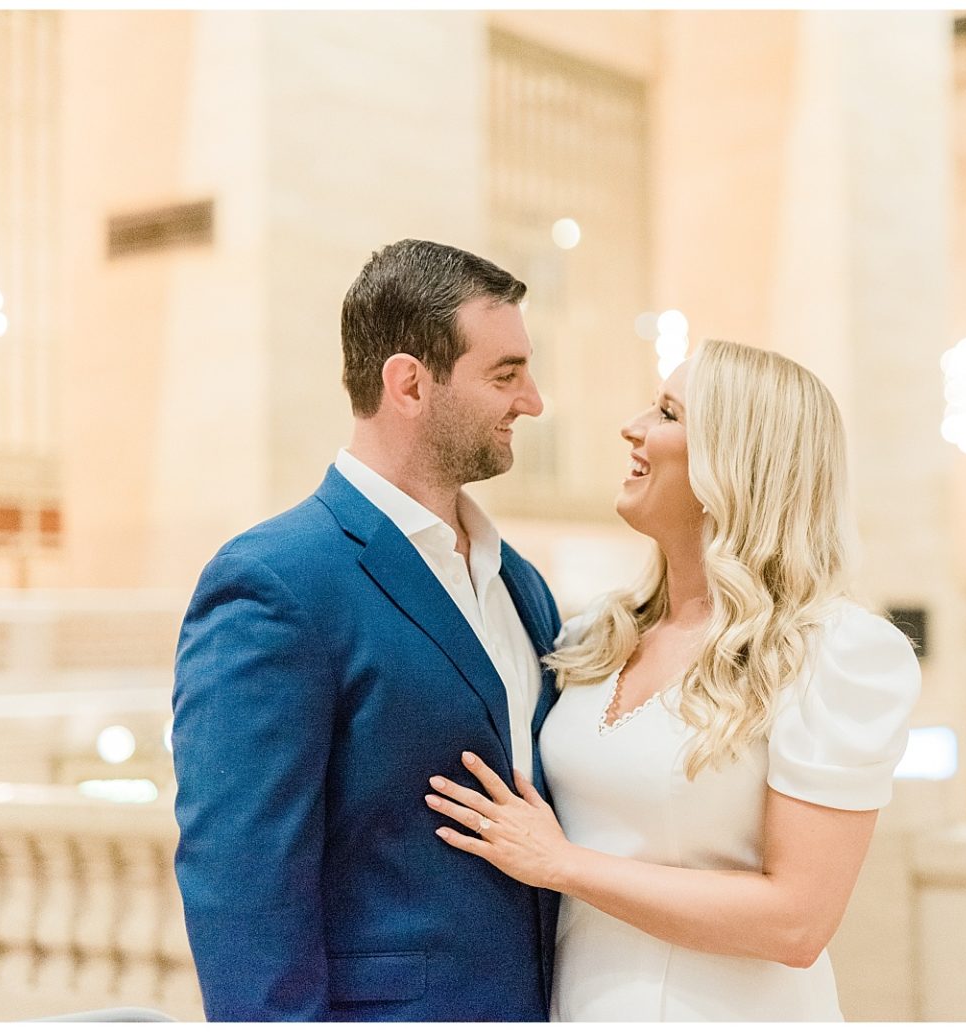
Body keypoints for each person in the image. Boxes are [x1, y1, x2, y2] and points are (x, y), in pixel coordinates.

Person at [426, 339, 922, 1020]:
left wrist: (561, 864)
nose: (633, 427)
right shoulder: (597, 633)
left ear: (737, 461)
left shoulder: (836, 650)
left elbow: (798, 922)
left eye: (667, 413)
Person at [171, 240, 562, 1021]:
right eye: (506, 374)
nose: (533, 401)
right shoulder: (275, 581)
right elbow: (242, 885)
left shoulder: (521, 581)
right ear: (410, 383)